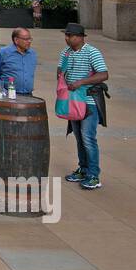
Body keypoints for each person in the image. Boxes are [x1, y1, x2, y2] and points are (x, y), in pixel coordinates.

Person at [58, 24, 109, 191]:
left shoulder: (92, 52)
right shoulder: (65, 53)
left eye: (70, 35)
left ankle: (94, 175)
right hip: (72, 102)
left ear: (80, 37)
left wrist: (81, 82)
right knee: (79, 138)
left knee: (88, 139)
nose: (67, 38)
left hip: (89, 102)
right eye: (66, 35)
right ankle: (83, 169)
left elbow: (103, 74)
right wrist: (62, 72)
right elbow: (60, 72)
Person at [0, 28, 37, 95]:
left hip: (28, 95)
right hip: (9, 95)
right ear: (16, 40)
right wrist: (1, 90)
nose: (29, 41)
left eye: (30, 39)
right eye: (26, 39)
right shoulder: (3, 52)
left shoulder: (32, 54)